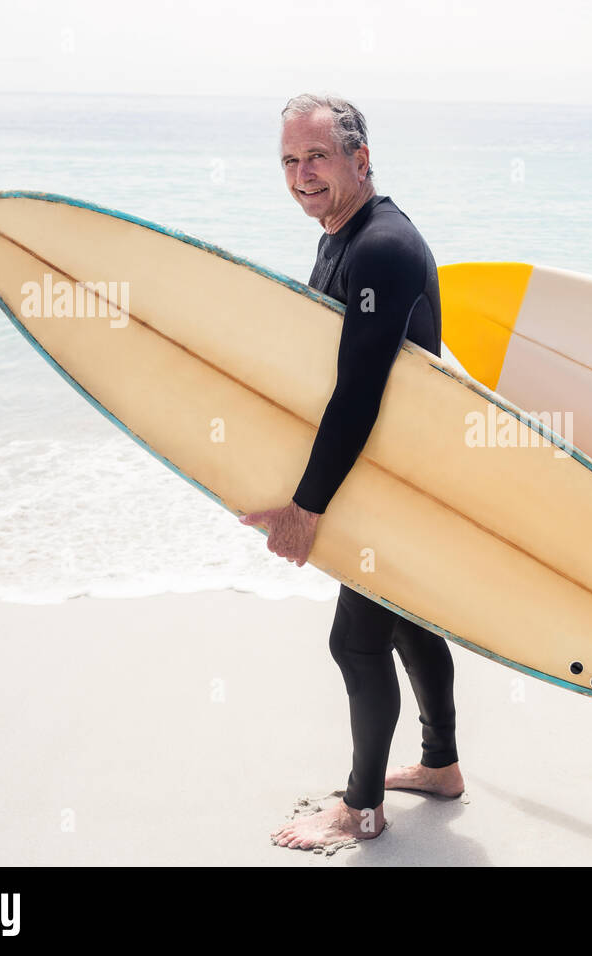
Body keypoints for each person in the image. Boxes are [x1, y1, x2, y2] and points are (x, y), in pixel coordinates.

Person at [240, 94, 464, 850]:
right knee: (404, 622)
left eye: (318, 158)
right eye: (289, 161)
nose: (302, 175)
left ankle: (361, 809)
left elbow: (359, 391)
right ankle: (440, 765)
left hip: (393, 482)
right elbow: (320, 372)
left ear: (361, 161)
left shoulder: (382, 249)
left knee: (357, 643)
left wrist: (306, 507)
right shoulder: (342, 234)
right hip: (385, 473)